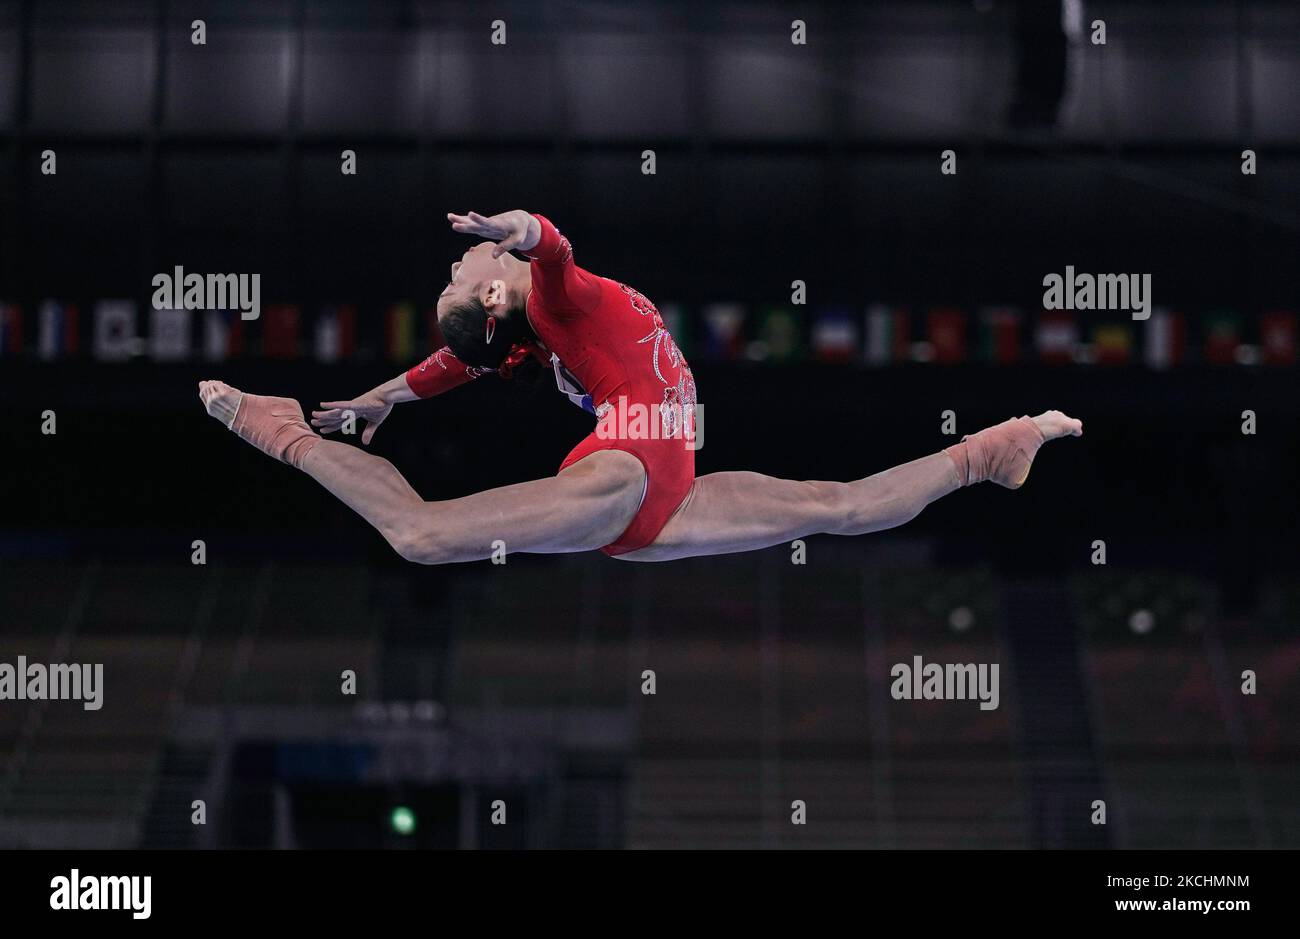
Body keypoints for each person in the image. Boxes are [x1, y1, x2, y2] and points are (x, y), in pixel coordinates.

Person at [199, 208, 1081, 564]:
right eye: (461, 270)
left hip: (673, 489)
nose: (458, 258)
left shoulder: (538, 324)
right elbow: (550, 248)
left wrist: (387, 393)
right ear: (497, 286)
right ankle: (286, 434)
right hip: (625, 471)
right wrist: (515, 228)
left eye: (454, 267)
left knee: (837, 504)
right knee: (422, 536)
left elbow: (462, 358)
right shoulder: (545, 296)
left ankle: (986, 451)